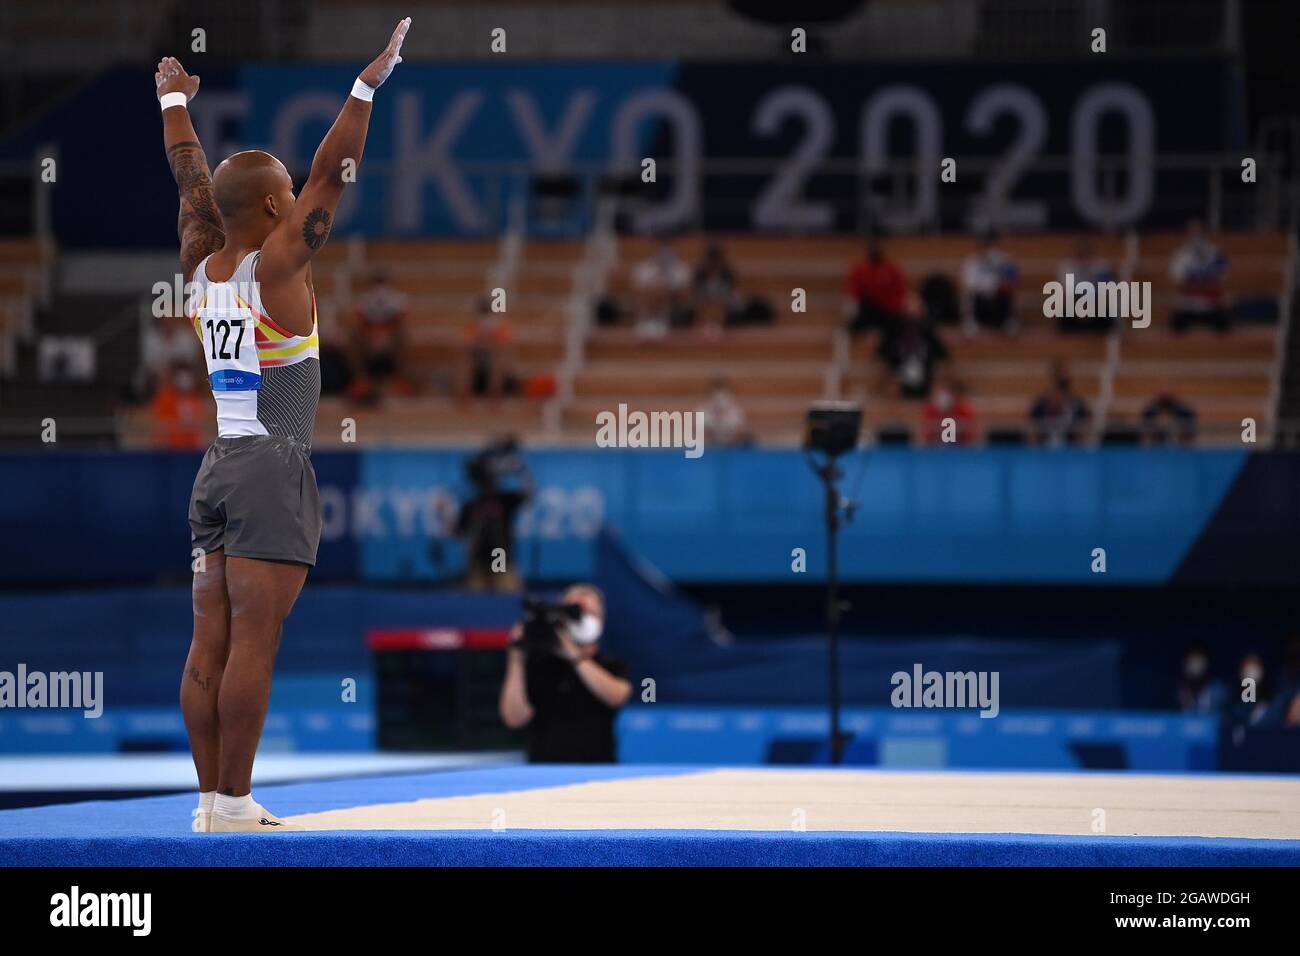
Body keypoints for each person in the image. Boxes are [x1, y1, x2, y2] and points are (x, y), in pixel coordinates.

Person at [157, 19, 412, 833]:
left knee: (209, 643)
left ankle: (209, 802)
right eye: (286, 191)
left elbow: (190, 183)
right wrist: (366, 87)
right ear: (275, 204)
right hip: (271, 467)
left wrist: (173, 101)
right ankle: (233, 801)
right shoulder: (278, 267)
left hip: (219, 466)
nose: (297, 196)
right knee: (254, 645)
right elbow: (335, 175)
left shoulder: (200, 264)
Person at [498, 585, 633, 763]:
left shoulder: (612, 664)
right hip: (543, 772)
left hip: (598, 771)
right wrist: (516, 660)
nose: (582, 618)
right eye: (575, 611)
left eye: (589, 612)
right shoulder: (538, 664)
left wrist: (573, 655)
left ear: (602, 618)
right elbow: (514, 718)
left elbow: (617, 696)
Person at [349, 269, 410, 400]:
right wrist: (373, 333)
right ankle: (361, 379)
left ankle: (400, 379)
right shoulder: (364, 300)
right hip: (368, 337)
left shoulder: (398, 299)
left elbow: (401, 319)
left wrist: (384, 332)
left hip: (390, 336)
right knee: (353, 335)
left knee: (404, 335)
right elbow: (360, 320)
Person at [1169, 219, 1230, 333]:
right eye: (1192, 232)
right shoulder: (1180, 255)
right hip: (1188, 306)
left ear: (1205, 233)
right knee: (1176, 323)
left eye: (1198, 232)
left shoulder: (1216, 253)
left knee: (1225, 321)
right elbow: (1178, 282)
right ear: (1187, 234)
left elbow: (1223, 279)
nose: (1196, 236)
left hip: (1212, 306)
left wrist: (1201, 284)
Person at [876, 313, 949, 401]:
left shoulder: (929, 334)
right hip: (901, 382)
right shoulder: (894, 333)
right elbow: (881, 354)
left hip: (926, 382)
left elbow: (943, 355)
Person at [844, 237, 908, 337]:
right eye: (872, 249)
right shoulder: (859, 270)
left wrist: (893, 308)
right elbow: (853, 294)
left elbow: (900, 293)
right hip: (868, 311)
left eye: (877, 249)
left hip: (889, 312)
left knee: (900, 324)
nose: (874, 252)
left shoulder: (892, 269)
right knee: (850, 326)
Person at [960, 232, 1020, 335]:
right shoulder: (972, 262)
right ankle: (971, 323)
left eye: (992, 244)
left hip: (999, 299)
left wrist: (999, 285)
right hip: (980, 300)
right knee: (970, 296)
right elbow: (969, 286)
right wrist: (990, 286)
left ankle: (1008, 322)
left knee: (1007, 294)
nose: (990, 248)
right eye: (987, 244)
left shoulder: (1005, 260)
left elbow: (1012, 281)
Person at [1056, 237, 1119, 334]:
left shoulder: (1101, 266)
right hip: (1074, 303)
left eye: (1085, 253)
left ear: (1090, 254)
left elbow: (1106, 289)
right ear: (1075, 254)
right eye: (1080, 253)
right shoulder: (1066, 267)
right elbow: (1067, 292)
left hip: (1096, 304)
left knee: (1106, 313)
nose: (1083, 256)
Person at [631, 238, 691, 339]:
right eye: (661, 249)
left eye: (668, 249)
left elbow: (685, 294)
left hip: (673, 309)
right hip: (647, 309)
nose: (664, 253)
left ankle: (666, 322)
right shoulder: (642, 268)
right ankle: (648, 321)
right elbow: (636, 293)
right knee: (654, 290)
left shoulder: (682, 269)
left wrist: (665, 289)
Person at [458, 299, 516, 401]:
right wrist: (481, 339)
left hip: (498, 375)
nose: (485, 320)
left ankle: (494, 393)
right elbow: (464, 345)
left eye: (488, 315)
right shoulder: (472, 328)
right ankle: (464, 394)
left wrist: (490, 340)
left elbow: (505, 347)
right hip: (477, 375)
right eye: (483, 315)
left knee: (499, 358)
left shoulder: (501, 329)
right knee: (464, 359)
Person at [1028, 362, 1091, 446]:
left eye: (1066, 374)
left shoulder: (1077, 403)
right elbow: (1032, 432)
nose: (1064, 376)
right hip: (1044, 450)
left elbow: (1086, 430)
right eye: (1060, 374)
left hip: (1071, 450)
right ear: (1053, 378)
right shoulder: (1041, 403)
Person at [692, 242, 739, 337]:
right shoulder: (700, 271)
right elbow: (695, 291)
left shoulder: (728, 272)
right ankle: (702, 326)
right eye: (712, 258)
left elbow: (731, 291)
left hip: (724, 298)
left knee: (722, 302)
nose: (714, 262)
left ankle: (720, 326)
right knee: (701, 301)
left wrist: (720, 299)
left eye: (716, 258)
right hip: (704, 299)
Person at [921, 372, 976, 444]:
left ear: (955, 393)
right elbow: (926, 439)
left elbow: (970, 439)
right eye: (941, 390)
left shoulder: (964, 411)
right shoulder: (930, 411)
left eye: (948, 391)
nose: (944, 395)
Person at [698, 377, 747, 447]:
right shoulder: (702, 409)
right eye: (716, 390)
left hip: (730, 445)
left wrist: (730, 437)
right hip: (708, 445)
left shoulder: (734, 410)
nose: (719, 397)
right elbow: (699, 431)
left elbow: (739, 429)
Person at [1177, 642, 1223, 714]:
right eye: (1191, 662)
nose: (1195, 667)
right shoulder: (1175, 693)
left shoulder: (1220, 692)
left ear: (1207, 664)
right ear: (1184, 664)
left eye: (1199, 662)